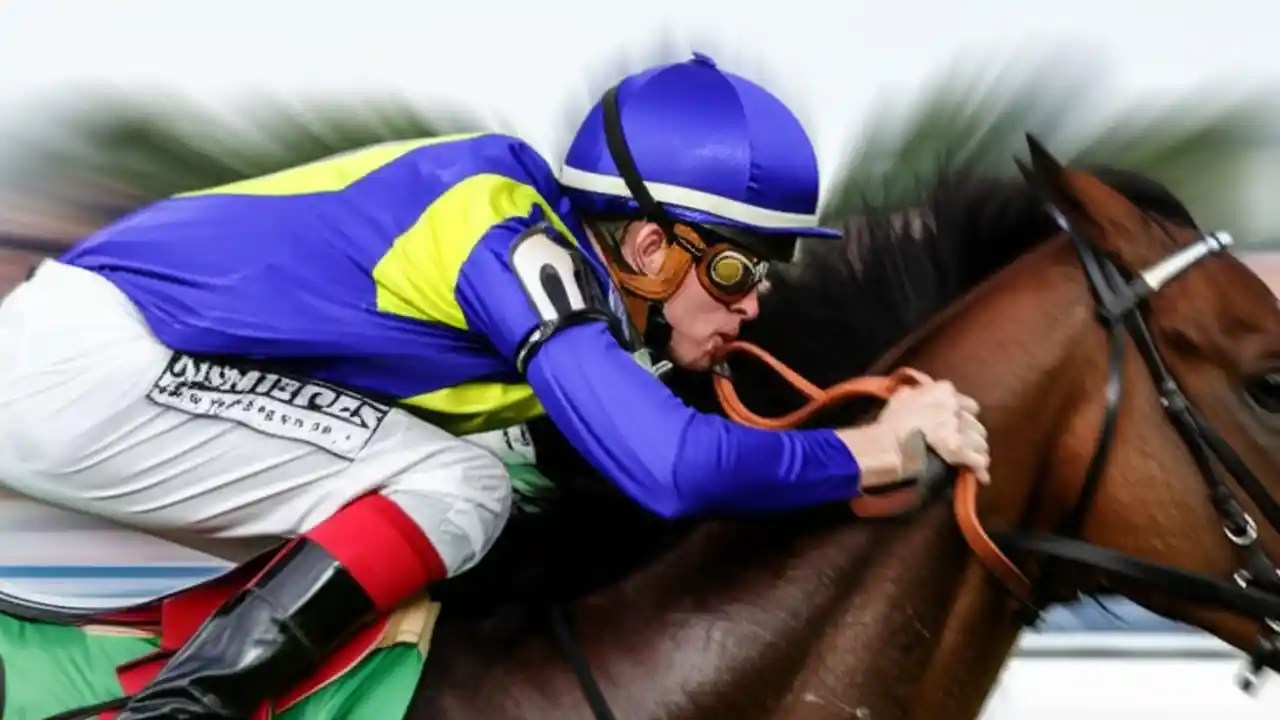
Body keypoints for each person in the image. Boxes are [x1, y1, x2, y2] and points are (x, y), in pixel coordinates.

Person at [0, 53, 990, 718]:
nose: (752, 303)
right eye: (735, 267)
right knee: (456, 486)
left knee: (461, 493)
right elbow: (673, 471)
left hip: (109, 365)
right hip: (89, 364)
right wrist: (872, 448)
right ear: (649, 249)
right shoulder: (510, 238)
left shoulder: (564, 287)